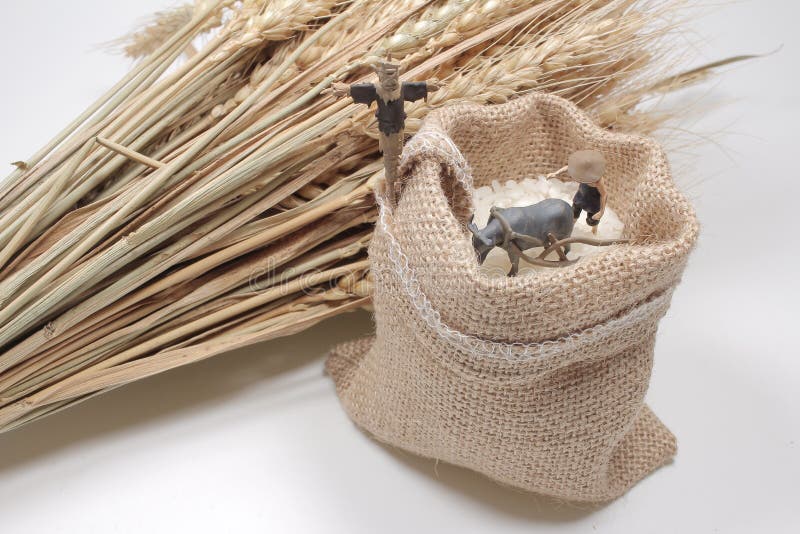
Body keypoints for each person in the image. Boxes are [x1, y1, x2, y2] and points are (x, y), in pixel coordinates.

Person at [567, 150, 607, 234]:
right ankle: (570, 229)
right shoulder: (581, 171)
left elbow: (604, 194)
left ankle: (594, 229)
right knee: (573, 215)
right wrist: (556, 173)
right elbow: (569, 168)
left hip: (593, 202)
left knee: (592, 221)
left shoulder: (598, 180)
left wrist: (601, 212)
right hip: (580, 197)